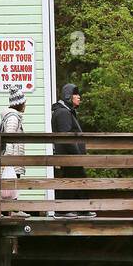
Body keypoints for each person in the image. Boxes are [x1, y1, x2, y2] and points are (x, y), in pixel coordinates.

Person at [50, 82, 93, 216]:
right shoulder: (63, 113)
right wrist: (78, 156)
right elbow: (67, 137)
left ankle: (81, 209)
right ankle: (65, 210)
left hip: (71, 157)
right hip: (69, 157)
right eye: (76, 94)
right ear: (69, 96)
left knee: (76, 181)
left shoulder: (66, 111)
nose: (79, 97)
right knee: (74, 181)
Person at [0, 85, 26, 210]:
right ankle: (13, 211)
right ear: (19, 103)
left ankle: (11, 210)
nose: (25, 105)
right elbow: (8, 137)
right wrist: (9, 160)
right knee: (11, 184)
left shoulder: (12, 116)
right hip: (12, 158)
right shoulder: (13, 118)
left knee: (10, 185)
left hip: (12, 157)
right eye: (24, 103)